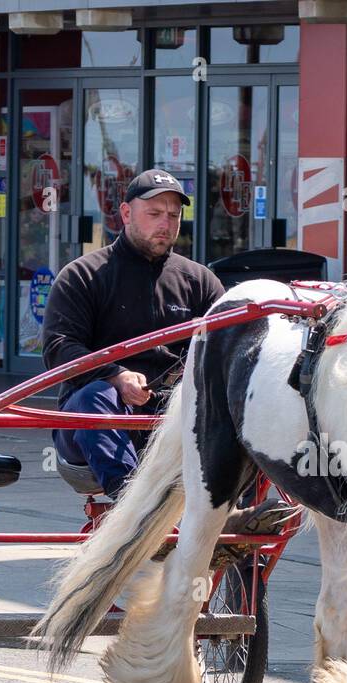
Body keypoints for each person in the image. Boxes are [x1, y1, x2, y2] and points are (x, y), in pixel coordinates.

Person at [42, 170, 225, 498]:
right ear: (126, 213)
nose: (165, 224)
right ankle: (136, 511)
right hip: (90, 432)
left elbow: (227, 350)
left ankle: (231, 520)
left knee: (233, 404)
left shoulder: (200, 281)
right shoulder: (83, 275)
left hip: (173, 422)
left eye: (173, 215)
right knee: (95, 395)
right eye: (154, 214)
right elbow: (58, 349)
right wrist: (115, 375)